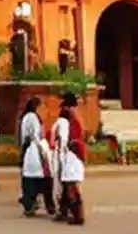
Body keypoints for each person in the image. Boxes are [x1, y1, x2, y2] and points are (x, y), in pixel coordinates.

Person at [51, 92, 86, 225]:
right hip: (74, 153)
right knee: (70, 186)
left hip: (70, 154)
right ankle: (70, 211)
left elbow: (66, 139)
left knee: (71, 186)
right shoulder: (76, 114)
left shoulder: (68, 116)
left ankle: (77, 215)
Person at [17, 97, 55, 216]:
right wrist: (44, 153)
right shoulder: (33, 118)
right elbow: (36, 137)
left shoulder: (26, 117)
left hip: (28, 152)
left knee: (30, 181)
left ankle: (29, 204)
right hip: (35, 151)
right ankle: (49, 205)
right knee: (44, 179)